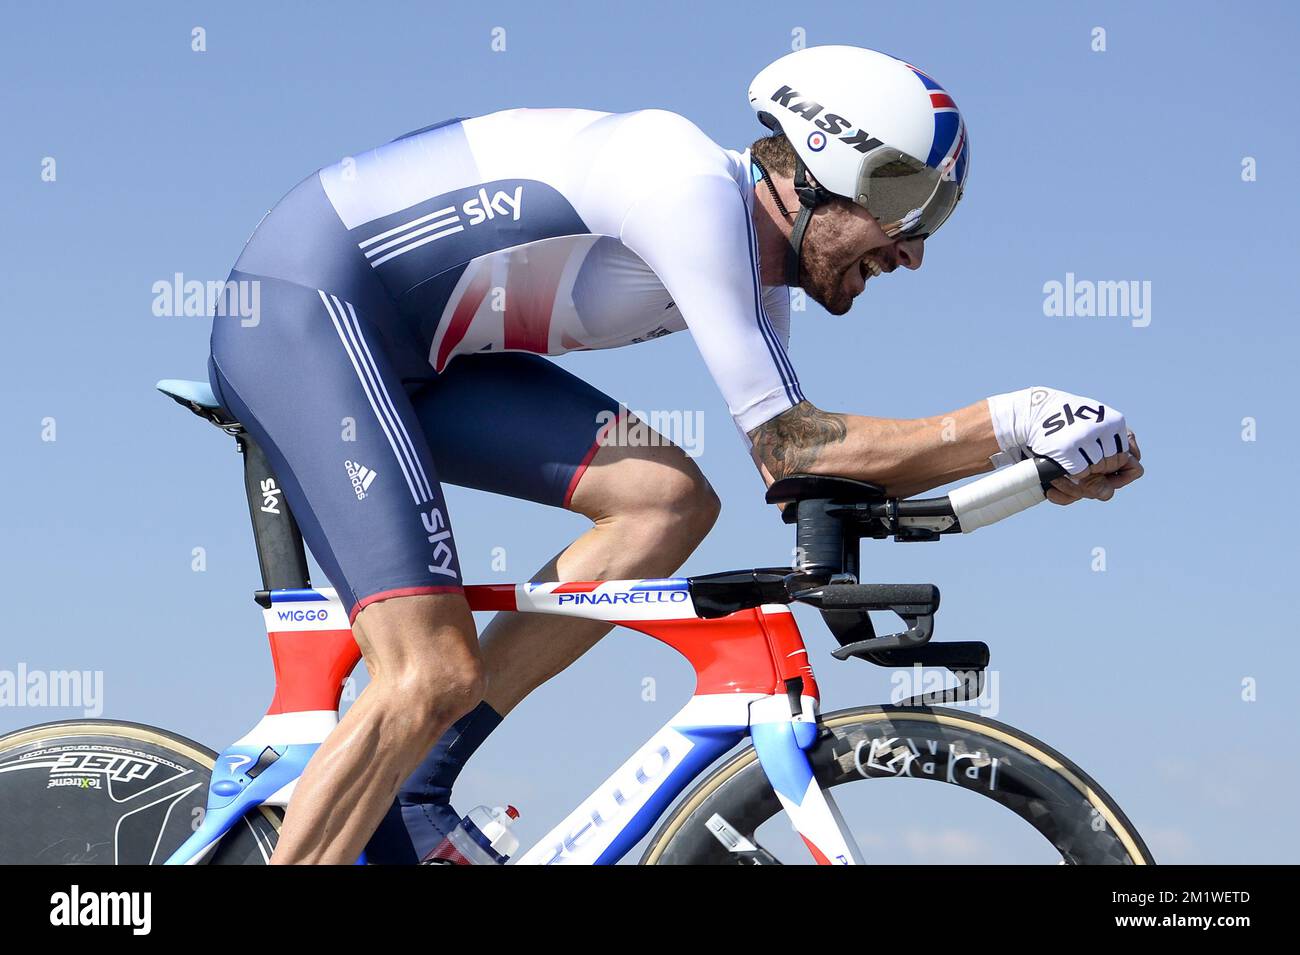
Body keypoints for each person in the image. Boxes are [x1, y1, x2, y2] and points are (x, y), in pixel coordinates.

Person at [207, 45, 1143, 864]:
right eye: (909, 205)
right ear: (825, 163)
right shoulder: (688, 186)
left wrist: (1024, 478)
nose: (914, 252)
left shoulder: (755, 273)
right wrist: (1015, 419)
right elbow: (798, 443)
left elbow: (800, 474)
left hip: (425, 353)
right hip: (309, 312)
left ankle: (414, 786)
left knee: (668, 502)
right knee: (428, 672)